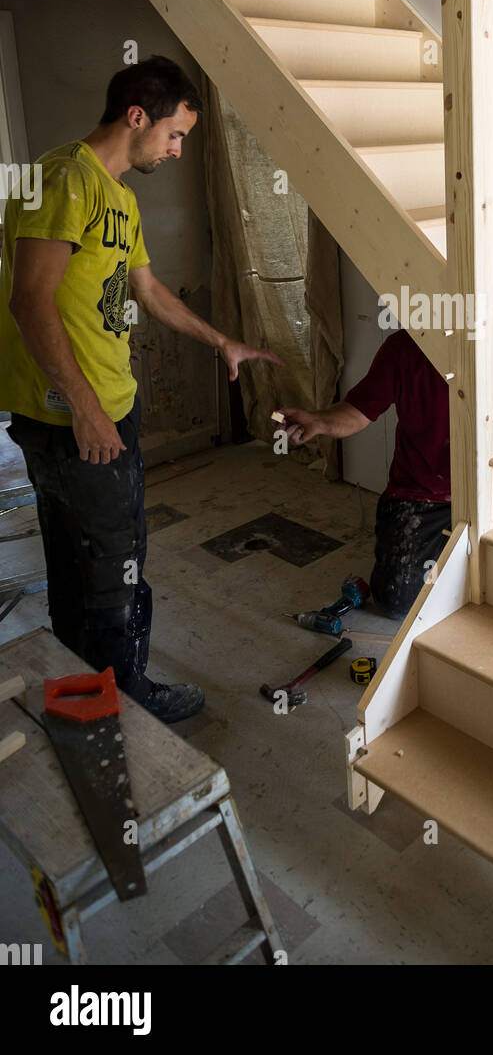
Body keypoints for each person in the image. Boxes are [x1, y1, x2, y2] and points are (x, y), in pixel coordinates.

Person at [0, 56, 282, 722]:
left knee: (84, 562)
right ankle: (122, 702)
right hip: (73, 418)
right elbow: (30, 302)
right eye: (175, 134)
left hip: (103, 410)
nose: (179, 149)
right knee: (110, 572)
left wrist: (222, 342)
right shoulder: (63, 178)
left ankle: (81, 691)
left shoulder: (120, 198)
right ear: (137, 116)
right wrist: (87, 410)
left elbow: (147, 290)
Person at [275, 328, 450, 620]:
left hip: (484, 488)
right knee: (398, 603)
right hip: (419, 495)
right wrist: (319, 421)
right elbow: (358, 411)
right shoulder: (404, 346)